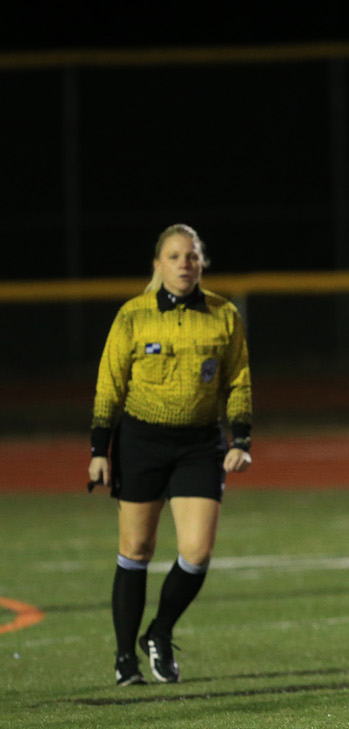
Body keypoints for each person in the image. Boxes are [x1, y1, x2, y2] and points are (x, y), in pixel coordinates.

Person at [88, 224, 253, 686]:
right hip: (141, 442)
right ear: (157, 265)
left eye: (192, 256)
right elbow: (109, 384)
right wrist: (100, 449)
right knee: (136, 549)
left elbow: (237, 379)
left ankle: (159, 631)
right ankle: (125, 658)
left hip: (200, 444)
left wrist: (240, 439)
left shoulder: (223, 314)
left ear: (201, 263)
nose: (184, 264)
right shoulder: (133, 315)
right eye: (175, 256)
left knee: (197, 552)